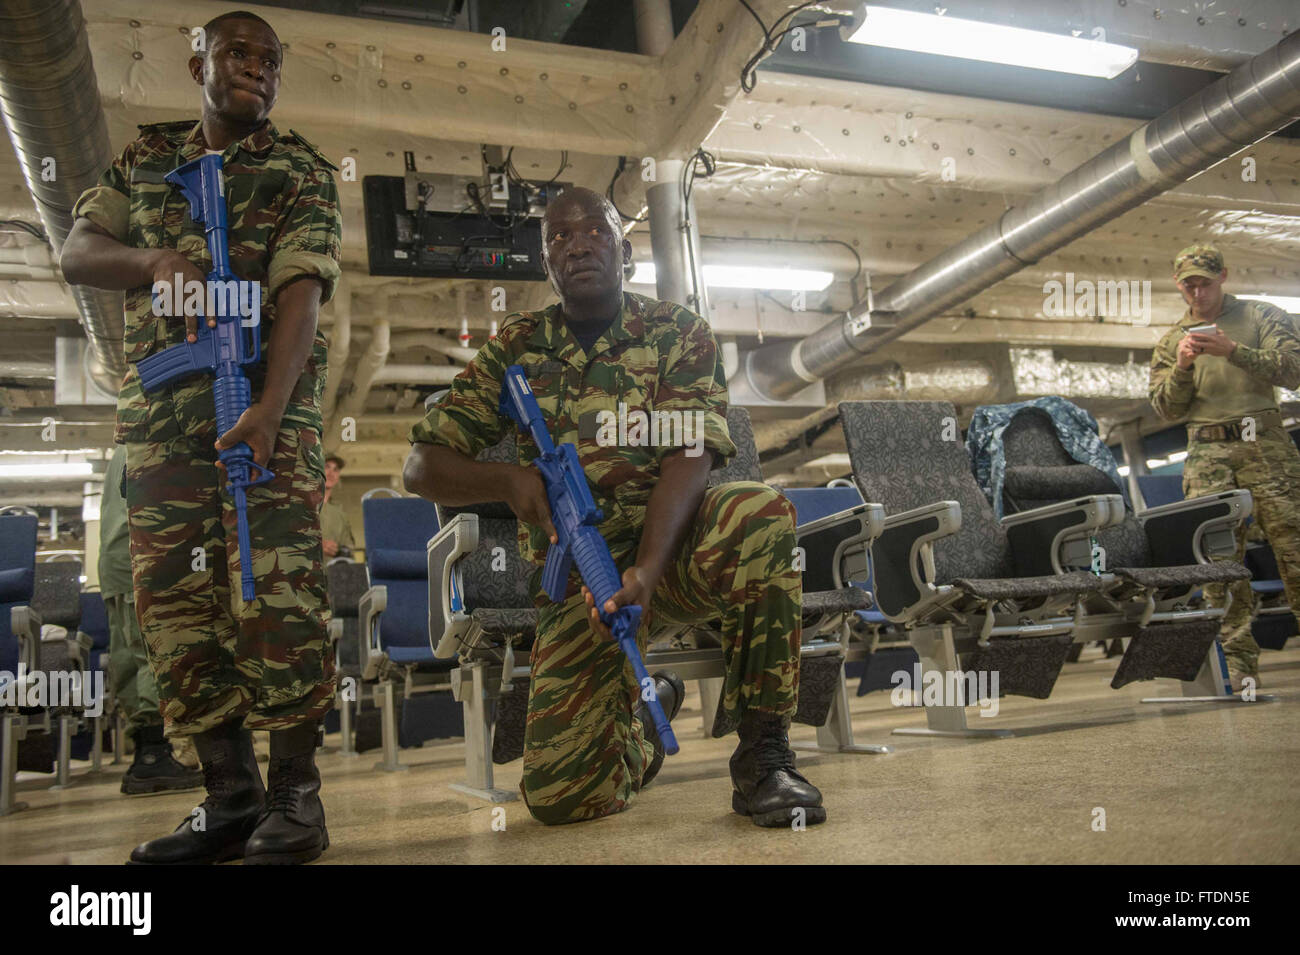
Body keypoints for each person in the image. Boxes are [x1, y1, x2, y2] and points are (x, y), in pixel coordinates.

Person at [402, 186, 825, 828]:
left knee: (759, 512)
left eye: (593, 233)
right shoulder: (517, 346)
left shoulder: (678, 334)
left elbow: (691, 456)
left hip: (671, 559)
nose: (576, 246)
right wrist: (509, 481)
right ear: (547, 263)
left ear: (624, 251)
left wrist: (648, 572)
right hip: (578, 589)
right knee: (559, 802)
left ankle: (766, 757)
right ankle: (643, 720)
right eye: (558, 239)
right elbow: (419, 467)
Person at [60, 10, 341, 864]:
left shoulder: (299, 168)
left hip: (264, 418)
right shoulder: (146, 159)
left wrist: (270, 407)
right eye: (236, 53)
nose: (254, 68)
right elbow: (77, 250)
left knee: (279, 597)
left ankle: (297, 798)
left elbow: (302, 288)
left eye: (269, 60)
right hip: (161, 433)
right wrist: (152, 264)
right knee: (174, 613)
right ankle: (228, 795)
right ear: (199, 66)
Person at [1149, 243, 1300, 690]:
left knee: (1294, 549)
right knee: (1219, 564)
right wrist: (1181, 367)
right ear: (1179, 285)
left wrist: (1232, 349)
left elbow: (1292, 370)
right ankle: (1241, 669)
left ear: (1223, 277)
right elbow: (1165, 409)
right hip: (1207, 451)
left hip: (1264, 442)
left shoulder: (1261, 316)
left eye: (1205, 283)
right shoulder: (1172, 339)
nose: (1198, 293)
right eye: (1189, 285)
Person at [99, 445, 203, 795]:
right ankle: (154, 755)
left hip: (115, 565)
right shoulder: (152, 443)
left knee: (127, 657)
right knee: (149, 658)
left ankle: (146, 756)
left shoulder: (121, 450)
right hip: (138, 558)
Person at [320, 454, 355, 559]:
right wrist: (316, 545)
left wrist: (343, 551)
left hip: (333, 572)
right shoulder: (303, 505)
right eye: (327, 467)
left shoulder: (340, 513)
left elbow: (349, 548)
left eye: (335, 470)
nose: (331, 473)